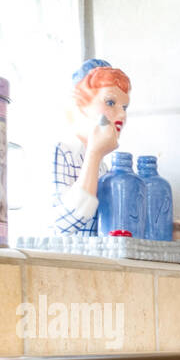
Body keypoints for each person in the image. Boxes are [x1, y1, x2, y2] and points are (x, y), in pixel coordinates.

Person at [51, 58, 131, 234]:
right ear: (80, 105)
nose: (122, 114)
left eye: (125, 106)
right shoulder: (61, 151)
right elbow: (63, 224)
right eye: (110, 102)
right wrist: (94, 154)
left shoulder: (104, 168)